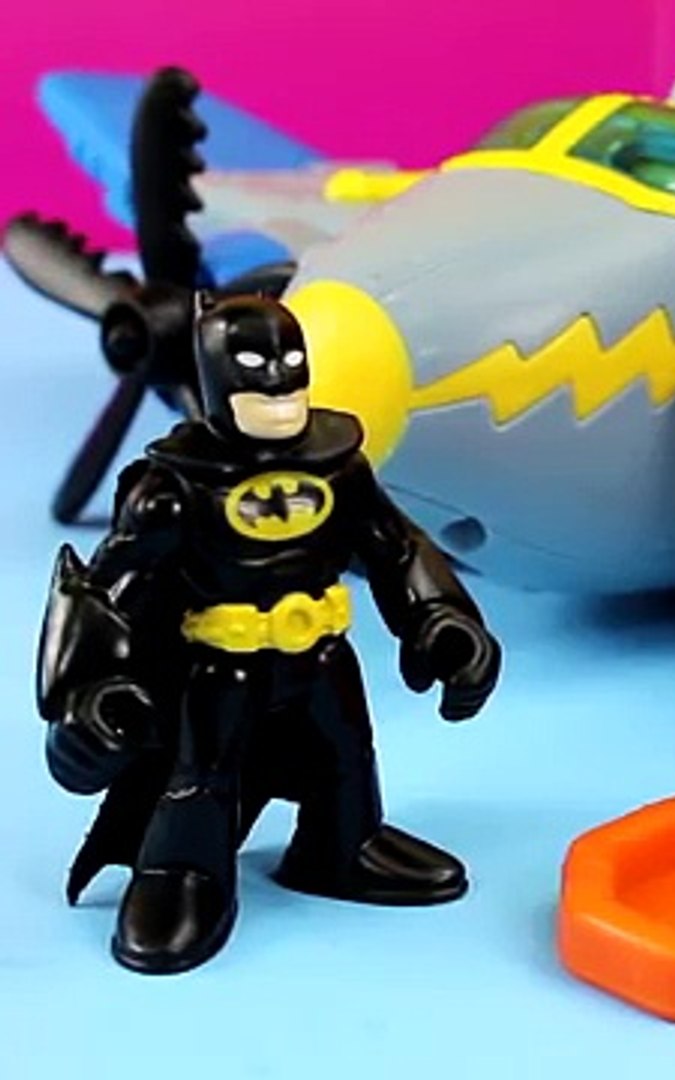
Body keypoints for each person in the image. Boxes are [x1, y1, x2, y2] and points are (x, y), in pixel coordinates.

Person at [36, 293, 502, 975]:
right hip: (221, 666)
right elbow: (114, 590)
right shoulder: (176, 491)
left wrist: (440, 619)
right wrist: (90, 696)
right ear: (216, 376)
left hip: (321, 653)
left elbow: (395, 547)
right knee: (203, 776)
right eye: (256, 365)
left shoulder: (336, 466)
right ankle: (183, 873)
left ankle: (343, 844)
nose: (278, 381)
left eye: (289, 361)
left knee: (346, 753)